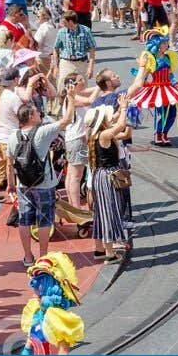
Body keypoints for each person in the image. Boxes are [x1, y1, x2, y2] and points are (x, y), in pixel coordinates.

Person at [14, 96, 79, 266]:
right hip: (44, 184)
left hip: (23, 184)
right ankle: (43, 256)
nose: (39, 114)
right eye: (36, 112)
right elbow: (67, 120)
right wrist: (70, 98)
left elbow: (9, 162)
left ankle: (28, 257)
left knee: (25, 220)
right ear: (30, 117)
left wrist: (12, 184)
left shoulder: (14, 136)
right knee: (44, 220)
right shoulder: (42, 132)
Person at [88, 100, 135, 261]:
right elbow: (120, 126)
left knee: (101, 213)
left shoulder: (96, 134)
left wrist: (130, 115)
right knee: (108, 211)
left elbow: (126, 132)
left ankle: (99, 249)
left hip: (100, 176)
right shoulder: (104, 134)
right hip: (107, 176)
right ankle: (110, 253)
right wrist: (123, 108)